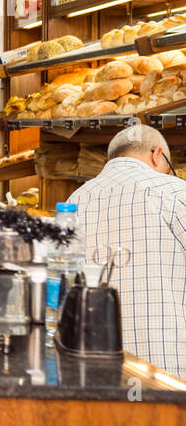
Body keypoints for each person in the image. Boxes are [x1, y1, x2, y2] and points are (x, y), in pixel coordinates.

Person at [67, 125, 186, 377]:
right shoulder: (175, 192)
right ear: (157, 154)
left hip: (94, 360)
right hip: (167, 364)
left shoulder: (73, 201)